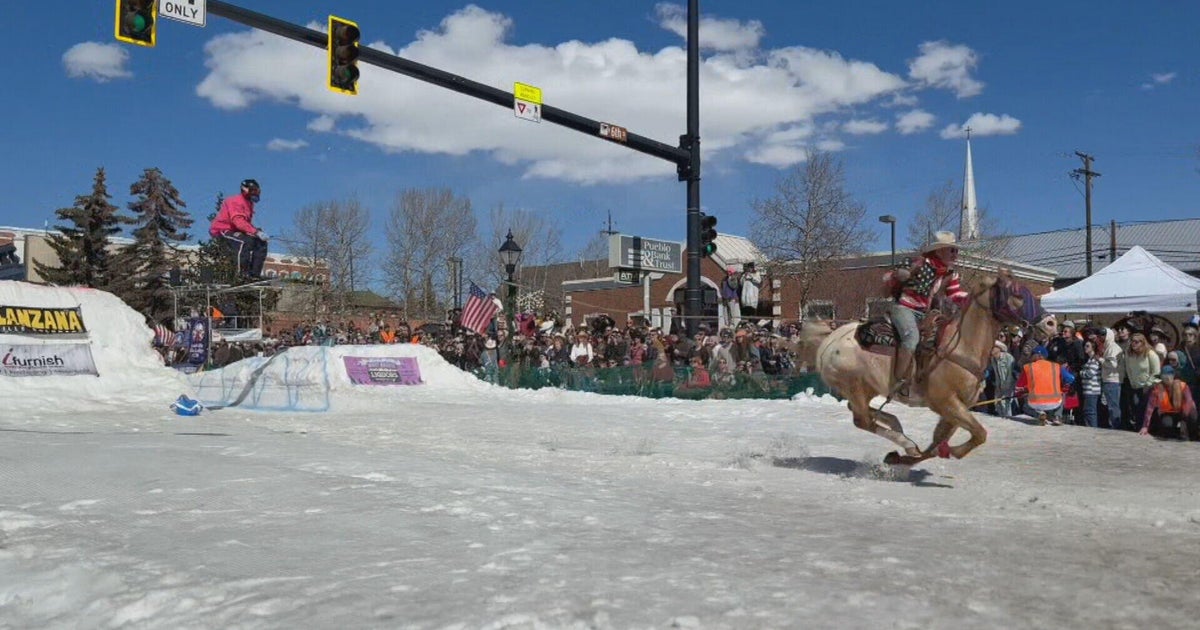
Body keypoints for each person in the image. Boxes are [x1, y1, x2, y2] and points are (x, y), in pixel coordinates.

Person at [882, 230, 971, 396]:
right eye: (951, 250)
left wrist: (975, 300)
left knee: (945, 339)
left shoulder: (950, 274)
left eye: (956, 250)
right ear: (938, 251)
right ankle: (898, 381)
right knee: (911, 338)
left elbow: (956, 295)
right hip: (904, 308)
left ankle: (929, 378)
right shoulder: (920, 263)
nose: (955, 254)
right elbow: (888, 276)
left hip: (925, 313)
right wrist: (900, 275)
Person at [210, 178, 268, 282]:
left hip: (236, 230)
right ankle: (241, 274)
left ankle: (254, 274)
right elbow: (238, 221)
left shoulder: (249, 203)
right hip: (222, 230)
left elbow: (244, 223)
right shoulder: (235, 201)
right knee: (243, 241)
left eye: (257, 191)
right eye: (253, 191)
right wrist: (255, 231)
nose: (255, 194)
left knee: (260, 242)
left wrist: (256, 232)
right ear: (245, 190)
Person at [1015, 345, 1075, 425]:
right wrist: (1063, 388)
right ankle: (1057, 417)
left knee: (1025, 407)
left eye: (1033, 354)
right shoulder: (1056, 366)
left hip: (1035, 403)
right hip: (1054, 403)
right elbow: (1070, 378)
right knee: (1060, 396)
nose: (1031, 357)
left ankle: (1039, 414)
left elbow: (1018, 388)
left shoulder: (1028, 367)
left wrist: (1020, 393)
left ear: (1039, 355)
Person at [1139, 366, 1197, 440]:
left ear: (1173, 376)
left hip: (1184, 413)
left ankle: (1190, 433)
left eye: (1169, 375)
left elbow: (1189, 401)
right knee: (1167, 428)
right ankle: (1177, 432)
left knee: (1193, 416)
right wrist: (1145, 426)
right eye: (1164, 376)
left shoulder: (1183, 386)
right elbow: (1150, 408)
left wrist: (1184, 419)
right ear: (1161, 377)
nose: (1167, 378)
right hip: (1168, 413)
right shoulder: (1157, 388)